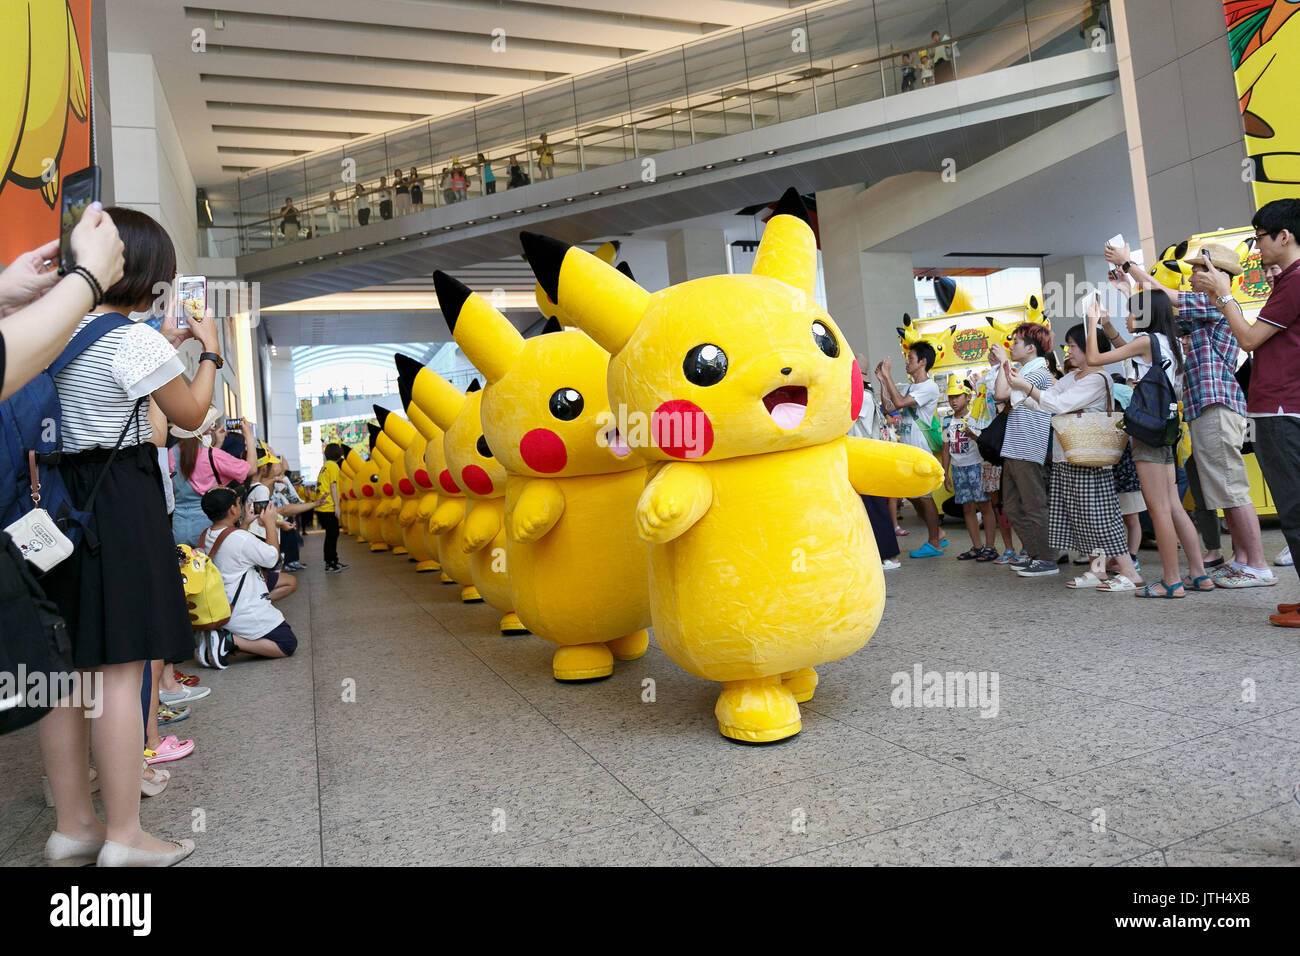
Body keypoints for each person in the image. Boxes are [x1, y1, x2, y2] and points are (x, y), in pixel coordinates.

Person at [39, 207, 219, 867]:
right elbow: (192, 417)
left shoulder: (53, 331)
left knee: (63, 679)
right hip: (119, 501)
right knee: (119, 670)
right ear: (148, 274)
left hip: (56, 505)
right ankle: (126, 836)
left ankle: (73, 827)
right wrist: (212, 351)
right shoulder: (135, 339)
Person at [1106, 240, 1271, 588]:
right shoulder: (1203, 313)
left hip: (1215, 404)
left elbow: (1162, 295)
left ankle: (1256, 563)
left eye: (1199, 269)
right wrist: (1126, 288)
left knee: (1231, 486)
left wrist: (1127, 263)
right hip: (1205, 406)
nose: (1192, 275)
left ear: (1218, 275)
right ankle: (1241, 560)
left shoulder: (1213, 302)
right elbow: (1154, 315)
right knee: (1223, 486)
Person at [1191, 198, 1300, 624]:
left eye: (1260, 238)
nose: (1256, 249)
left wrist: (1225, 297)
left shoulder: (1293, 281)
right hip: (1279, 405)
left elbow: (1249, 339)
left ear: (1284, 236)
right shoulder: (1287, 281)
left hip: (1280, 408)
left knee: (1292, 506)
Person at [1085, 291, 1209, 597]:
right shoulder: (1171, 343)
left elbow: (1093, 359)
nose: (1127, 319)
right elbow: (1129, 352)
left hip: (1146, 433)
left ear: (1144, 315)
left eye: (1131, 313)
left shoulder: (1146, 341)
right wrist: (1108, 327)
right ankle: (1198, 574)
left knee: (1159, 510)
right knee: (1174, 506)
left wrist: (1091, 325)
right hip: (1166, 430)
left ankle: (1171, 581)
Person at [1008, 323, 1143, 590]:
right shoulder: (1074, 377)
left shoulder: (1098, 378)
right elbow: (1043, 401)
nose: (1068, 351)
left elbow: (1057, 404)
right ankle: (1098, 570)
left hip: (1090, 460)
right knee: (1081, 518)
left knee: (1101, 518)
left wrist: (1024, 386)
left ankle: (1130, 573)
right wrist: (1024, 390)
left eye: (1072, 346)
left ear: (1089, 348)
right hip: (1067, 458)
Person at [200, 488, 300, 660]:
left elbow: (234, 548)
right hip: (240, 607)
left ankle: (221, 634)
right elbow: (271, 559)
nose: (241, 506)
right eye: (239, 503)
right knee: (287, 643)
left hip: (223, 600)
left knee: (289, 581)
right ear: (232, 510)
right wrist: (270, 523)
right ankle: (229, 641)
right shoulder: (240, 538)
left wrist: (245, 523)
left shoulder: (207, 534)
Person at [992, 322, 1056, 575]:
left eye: (1016, 342)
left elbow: (1001, 393)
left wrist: (1003, 363)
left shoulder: (1038, 372)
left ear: (1031, 348)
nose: (1011, 345)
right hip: (1015, 447)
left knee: (1034, 505)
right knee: (1011, 506)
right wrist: (1004, 364)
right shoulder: (1026, 370)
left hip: (1028, 447)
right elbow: (1002, 391)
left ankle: (1047, 558)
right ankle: (1036, 554)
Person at [875, 343, 945, 557]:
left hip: (920, 450)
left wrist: (887, 377)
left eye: (910, 358)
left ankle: (934, 543)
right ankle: (939, 533)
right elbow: (889, 407)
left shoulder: (929, 387)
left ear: (922, 362)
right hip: (907, 450)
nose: (906, 362)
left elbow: (899, 401)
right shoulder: (908, 387)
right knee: (912, 495)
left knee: (924, 496)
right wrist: (882, 382)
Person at [169, 413, 257, 547]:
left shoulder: (171, 453)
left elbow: (198, 465)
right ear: (203, 430)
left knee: (187, 567)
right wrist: (249, 437)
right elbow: (250, 469)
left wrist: (218, 443)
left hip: (178, 526)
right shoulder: (212, 455)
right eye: (210, 424)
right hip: (207, 525)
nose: (212, 428)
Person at [849, 357, 900, 570]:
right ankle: (880, 554)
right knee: (868, 508)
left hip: (866, 457)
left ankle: (890, 556)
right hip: (861, 456)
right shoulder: (863, 396)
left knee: (876, 507)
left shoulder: (862, 398)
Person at [941, 378, 998, 561]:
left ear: (967, 397)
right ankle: (977, 546)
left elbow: (985, 441)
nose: (953, 401)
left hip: (976, 466)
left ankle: (990, 547)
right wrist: (945, 473)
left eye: (957, 396)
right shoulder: (947, 421)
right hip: (958, 469)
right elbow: (946, 447)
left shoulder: (975, 416)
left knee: (984, 505)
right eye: (950, 397)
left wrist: (973, 434)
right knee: (967, 508)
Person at [316, 442, 349, 573]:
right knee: (332, 535)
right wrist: (337, 506)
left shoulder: (325, 466)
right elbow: (333, 486)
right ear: (339, 454)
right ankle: (330, 563)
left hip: (323, 506)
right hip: (328, 506)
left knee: (332, 535)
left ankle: (334, 561)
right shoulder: (334, 466)